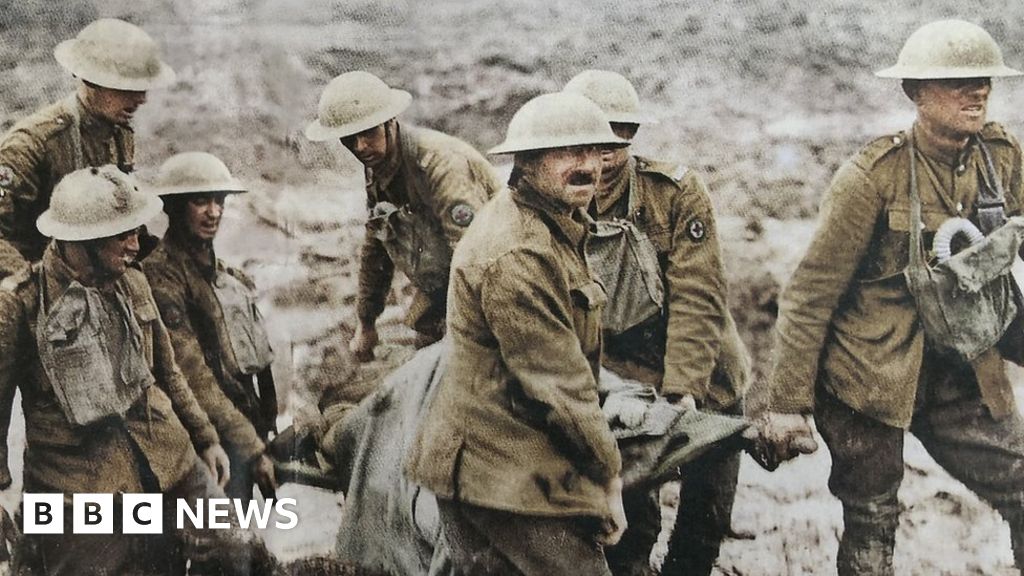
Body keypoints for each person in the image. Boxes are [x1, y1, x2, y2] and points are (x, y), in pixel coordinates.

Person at [756, 19, 1024, 575]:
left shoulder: (1000, 157)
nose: (977, 92)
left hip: (961, 366)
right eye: (957, 82)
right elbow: (809, 295)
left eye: (984, 81)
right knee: (872, 516)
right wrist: (786, 404)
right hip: (869, 373)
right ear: (916, 92)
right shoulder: (873, 176)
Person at [0, 165, 276, 575]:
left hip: (168, 457)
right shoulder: (20, 304)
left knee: (233, 550)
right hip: (79, 487)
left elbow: (169, 371)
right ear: (83, 241)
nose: (135, 245)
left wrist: (205, 438)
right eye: (122, 236)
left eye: (135, 231)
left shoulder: (133, 283)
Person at [404, 92, 630, 575]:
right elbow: (559, 385)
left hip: (494, 461)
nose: (587, 165)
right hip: (502, 474)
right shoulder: (518, 252)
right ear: (527, 163)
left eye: (594, 150)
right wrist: (608, 479)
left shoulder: (553, 222)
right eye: (568, 152)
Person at [564, 69, 751, 576]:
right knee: (626, 516)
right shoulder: (553, 202)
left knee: (705, 518)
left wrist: (684, 388)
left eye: (617, 139)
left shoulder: (674, 193)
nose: (603, 156)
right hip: (618, 373)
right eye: (590, 140)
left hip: (702, 368)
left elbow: (698, 296)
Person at [305, 71, 501, 359]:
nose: (360, 146)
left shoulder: (441, 164)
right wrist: (366, 322)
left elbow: (474, 257)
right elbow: (376, 246)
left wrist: (462, 332)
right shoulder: (379, 167)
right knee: (425, 355)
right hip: (445, 288)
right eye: (349, 138)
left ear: (390, 122)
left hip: (493, 288)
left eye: (368, 132)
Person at [144, 152, 278, 502]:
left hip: (236, 431)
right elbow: (193, 374)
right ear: (174, 207)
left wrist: (261, 432)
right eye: (201, 201)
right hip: (197, 439)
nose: (214, 212)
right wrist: (252, 447)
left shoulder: (223, 276)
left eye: (219, 201)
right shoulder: (162, 277)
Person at [0, 18, 174, 277]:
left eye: (144, 88)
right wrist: (34, 284)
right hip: (40, 277)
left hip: (97, 272)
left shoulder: (119, 134)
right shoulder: (32, 145)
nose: (141, 99)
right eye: (128, 88)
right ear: (90, 80)